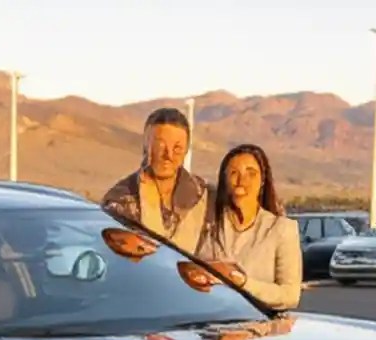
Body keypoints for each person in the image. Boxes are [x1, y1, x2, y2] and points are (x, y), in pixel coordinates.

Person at [197, 143, 302, 310]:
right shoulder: (207, 226)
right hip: (210, 324)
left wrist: (242, 282)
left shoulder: (281, 229)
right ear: (224, 180)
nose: (241, 181)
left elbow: (290, 295)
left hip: (261, 328)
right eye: (233, 173)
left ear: (262, 181)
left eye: (251, 174)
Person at [101, 107, 212, 255]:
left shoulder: (206, 197)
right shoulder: (119, 201)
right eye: (160, 145)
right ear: (145, 146)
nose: (168, 155)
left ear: (186, 150)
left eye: (177, 148)